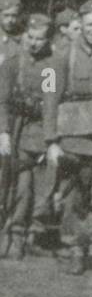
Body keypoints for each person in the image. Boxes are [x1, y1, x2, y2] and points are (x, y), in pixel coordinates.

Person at [43, 0, 92, 274]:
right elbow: (50, 97)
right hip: (74, 134)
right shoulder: (62, 54)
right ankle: (75, 249)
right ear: (81, 24)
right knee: (74, 196)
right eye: (90, 24)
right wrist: (51, 140)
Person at [0, 13, 54, 259]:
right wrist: (4, 132)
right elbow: (1, 100)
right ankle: (14, 234)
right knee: (18, 187)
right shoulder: (12, 64)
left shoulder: (50, 66)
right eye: (30, 37)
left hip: (39, 131)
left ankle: (30, 235)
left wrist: (50, 138)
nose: (34, 43)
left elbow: (50, 102)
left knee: (41, 189)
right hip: (17, 129)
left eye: (39, 39)